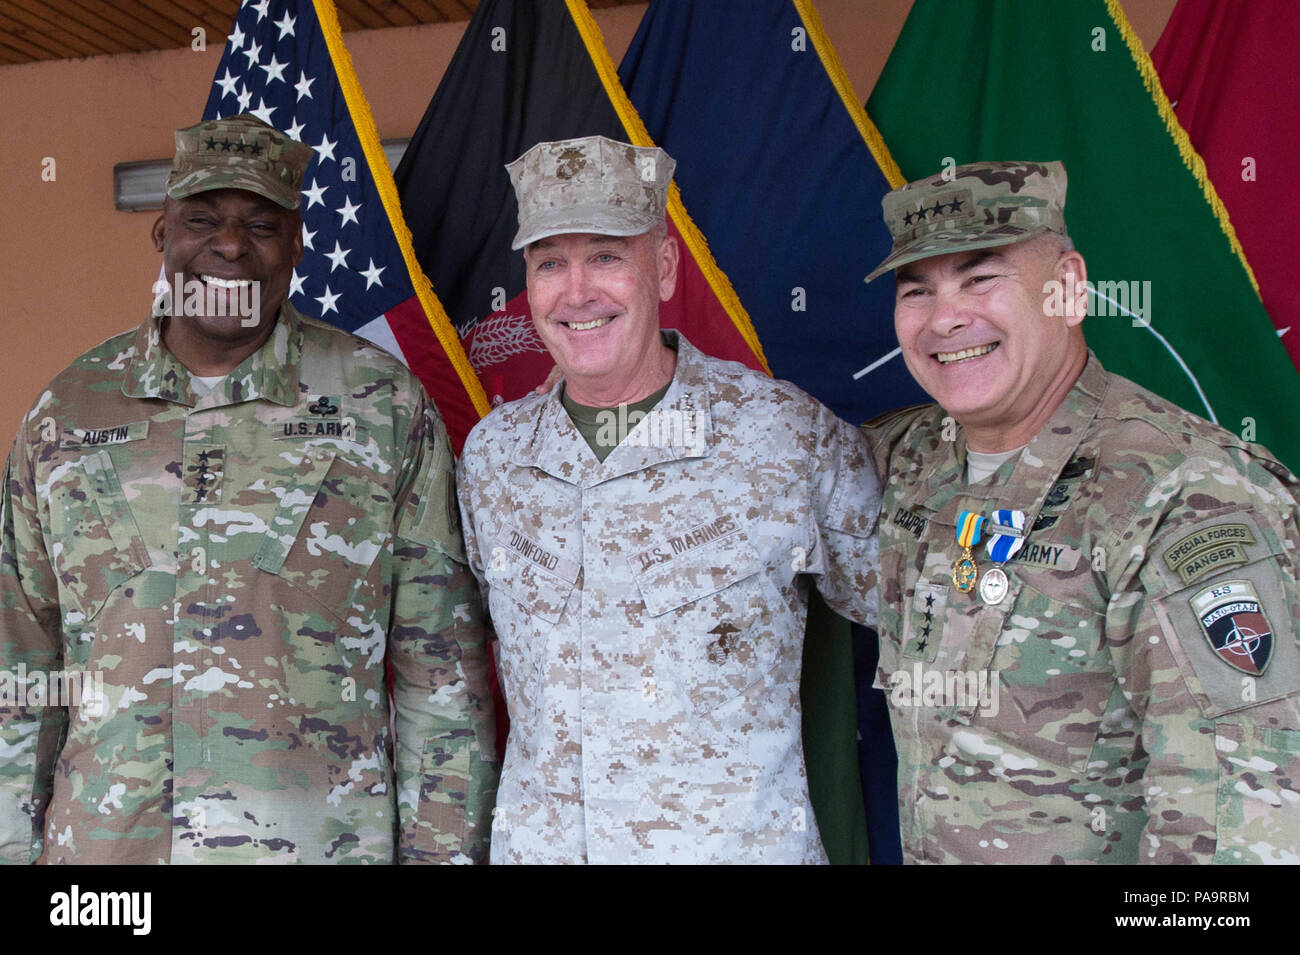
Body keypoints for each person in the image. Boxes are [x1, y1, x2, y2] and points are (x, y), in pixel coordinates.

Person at [0, 115, 497, 864]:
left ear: (297, 246)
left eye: (261, 223)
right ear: (162, 235)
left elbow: (443, 680)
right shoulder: (67, 412)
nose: (230, 245)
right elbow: (21, 666)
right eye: (203, 218)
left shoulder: (382, 407)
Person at [456, 135, 880, 863]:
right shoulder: (494, 458)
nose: (577, 289)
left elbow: (924, 608)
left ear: (665, 267)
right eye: (550, 262)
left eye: (607, 255)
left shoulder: (782, 436)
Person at [862, 160, 1300, 863]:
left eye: (980, 279)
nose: (946, 317)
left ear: (1067, 287)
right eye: (918, 292)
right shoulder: (915, 462)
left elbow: (1245, 820)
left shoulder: (1185, 493)